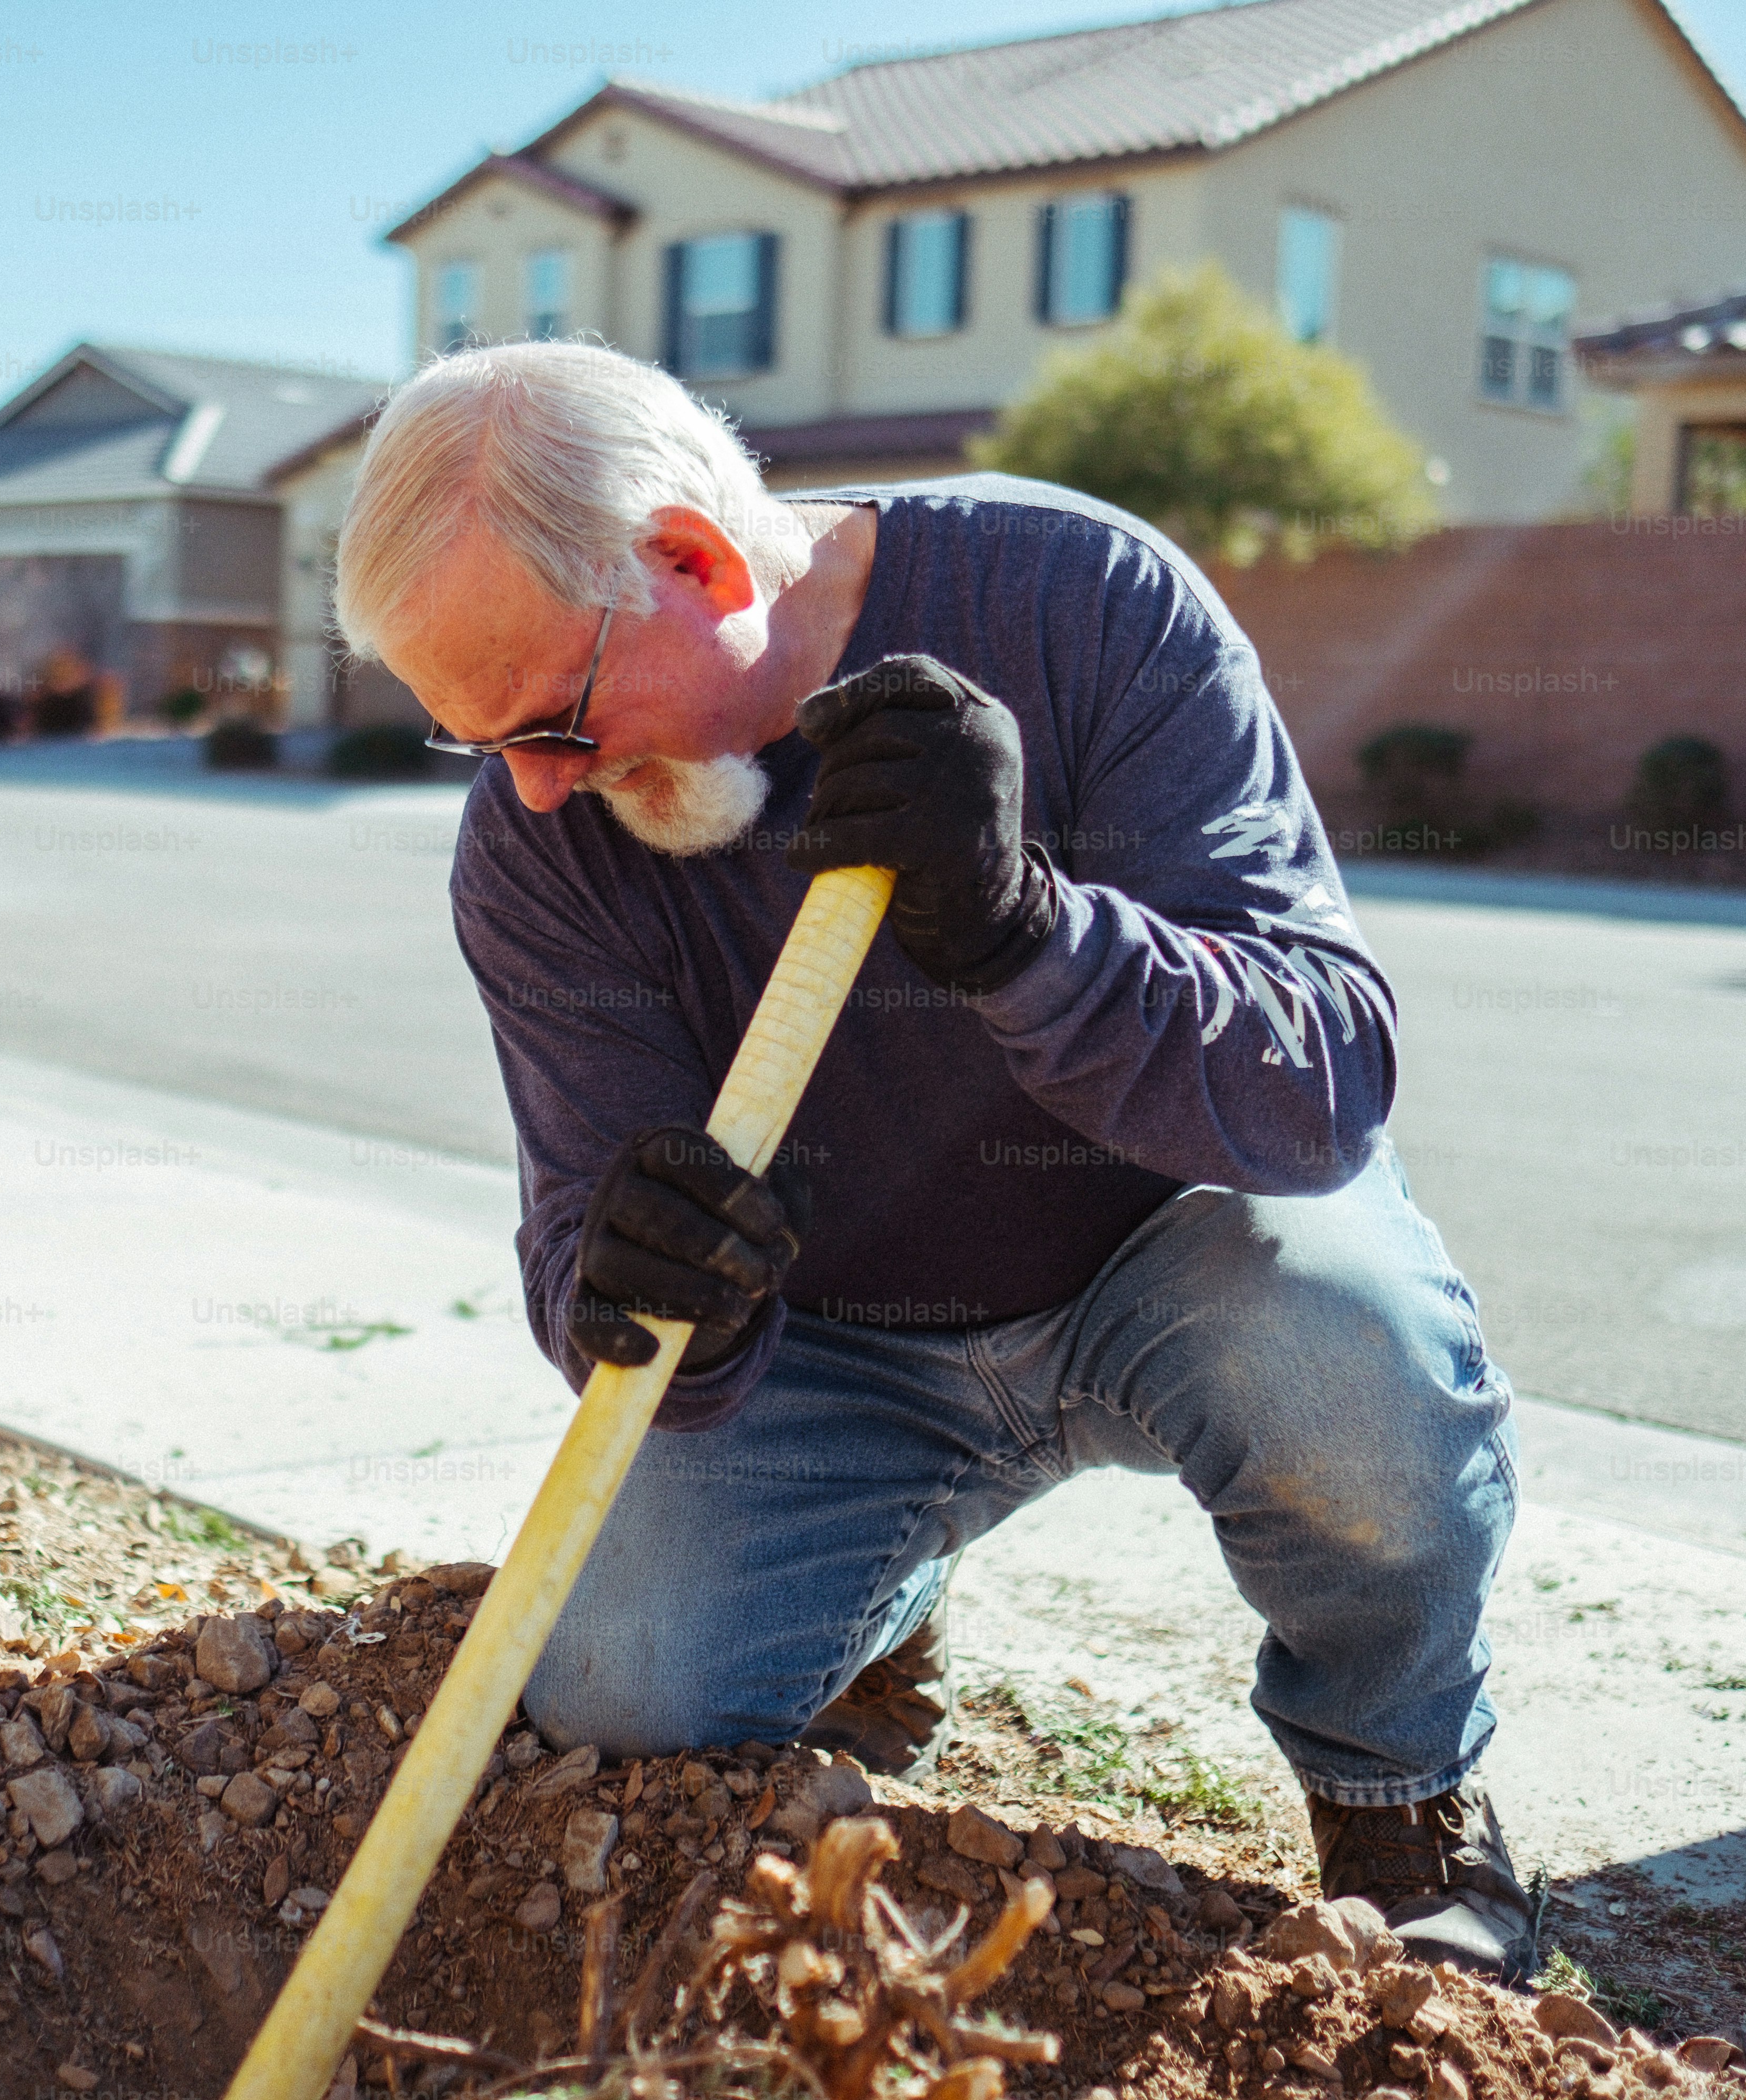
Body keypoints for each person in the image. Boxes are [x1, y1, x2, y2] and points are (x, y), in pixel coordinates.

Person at [330, 340, 1533, 1978]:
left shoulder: (1081, 598)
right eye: (482, 748)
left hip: (1179, 1257)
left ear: (690, 561)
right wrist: (635, 1283)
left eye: (555, 719)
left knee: (1347, 1352)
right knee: (625, 1691)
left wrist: (1027, 933)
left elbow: (1322, 1081)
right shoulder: (543, 859)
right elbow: (579, 1266)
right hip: (841, 1348)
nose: (540, 793)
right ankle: (883, 1613)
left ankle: (1403, 1801)